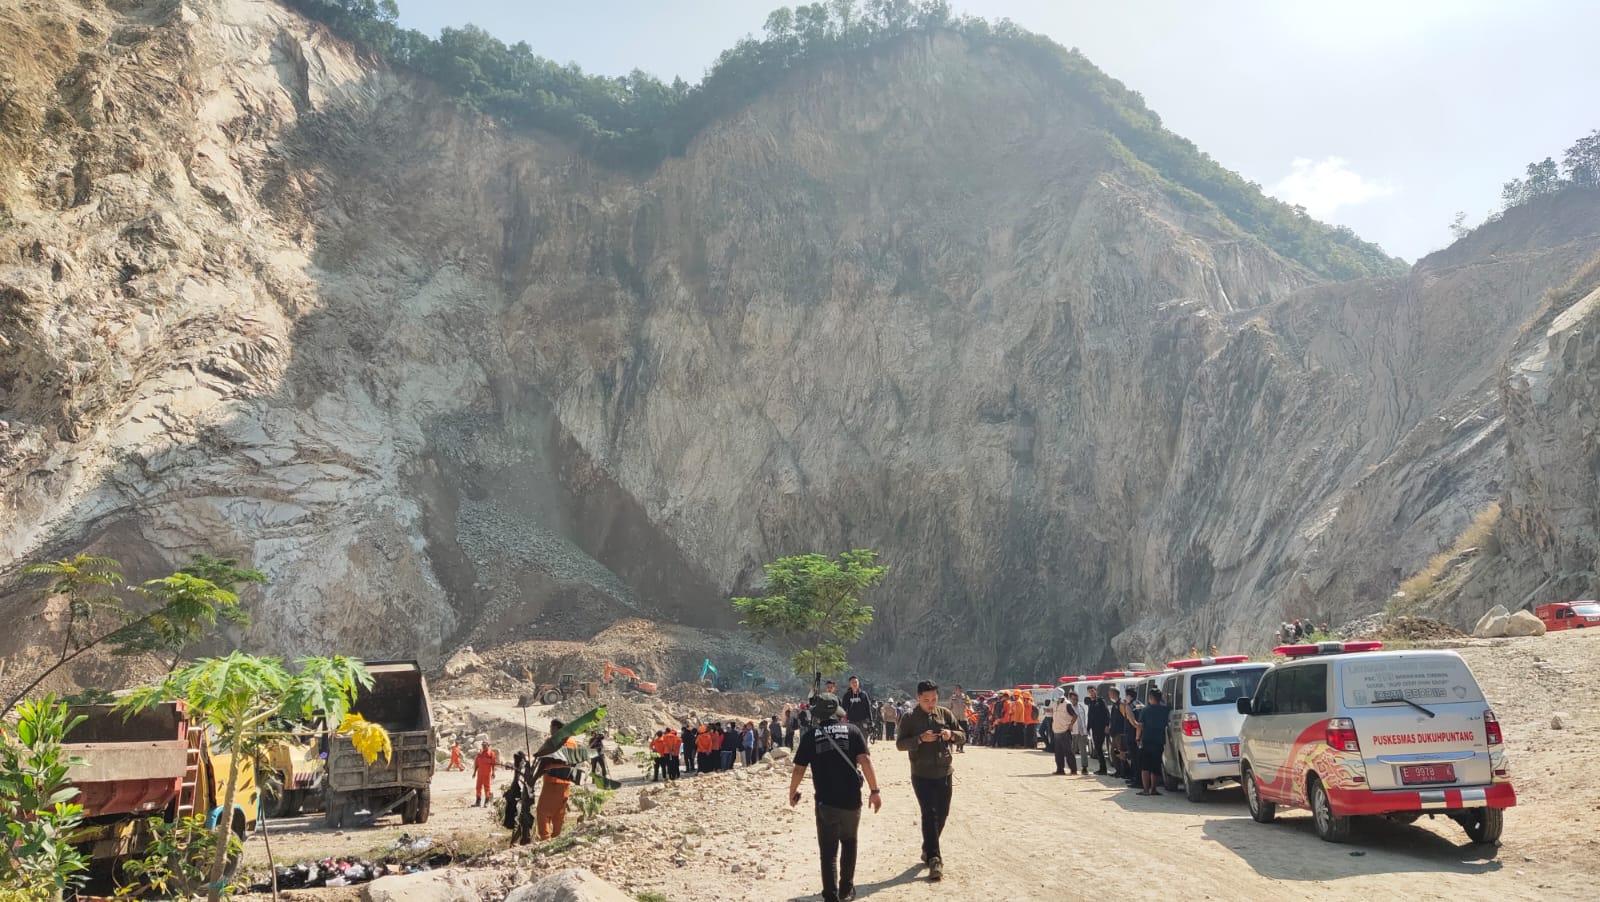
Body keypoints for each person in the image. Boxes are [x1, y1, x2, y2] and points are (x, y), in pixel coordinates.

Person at [789, 690, 882, 902]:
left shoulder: (810, 736)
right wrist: (875, 791)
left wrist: (792, 791)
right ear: (838, 712)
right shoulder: (853, 731)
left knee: (828, 852)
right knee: (849, 843)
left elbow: (798, 769)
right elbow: (865, 762)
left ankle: (830, 896)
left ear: (817, 714)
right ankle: (846, 890)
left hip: (825, 803)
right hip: (851, 801)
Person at [895, 680, 964, 882]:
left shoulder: (945, 714)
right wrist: (919, 739)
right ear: (918, 698)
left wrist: (951, 735)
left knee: (942, 814)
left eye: (934, 699)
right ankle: (935, 859)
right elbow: (900, 744)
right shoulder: (909, 718)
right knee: (929, 814)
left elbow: (963, 735)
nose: (931, 703)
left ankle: (927, 849)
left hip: (944, 772)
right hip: (921, 774)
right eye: (926, 700)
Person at [533, 719, 580, 839]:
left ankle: (545, 838)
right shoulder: (572, 742)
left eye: (551, 727)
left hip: (552, 782)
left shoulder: (553, 742)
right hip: (566, 783)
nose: (550, 730)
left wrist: (534, 777)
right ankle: (556, 837)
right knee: (558, 813)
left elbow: (543, 761)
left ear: (556, 728)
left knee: (542, 812)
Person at [1135, 688, 1172, 796]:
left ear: (1150, 698)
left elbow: (1140, 725)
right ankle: (1154, 789)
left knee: (1145, 766)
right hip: (1159, 741)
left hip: (1147, 741)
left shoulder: (1145, 710)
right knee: (1155, 766)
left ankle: (1146, 790)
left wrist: (1137, 738)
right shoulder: (1165, 710)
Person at [501, 751, 535, 845]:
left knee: (521, 820)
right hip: (518, 799)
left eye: (517, 760)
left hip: (521, 799)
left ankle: (519, 841)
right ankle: (520, 841)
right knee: (520, 820)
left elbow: (522, 786)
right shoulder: (518, 770)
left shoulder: (523, 770)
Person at [1049, 688, 1077, 775]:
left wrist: (1071, 725)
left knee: (1068, 752)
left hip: (1065, 731)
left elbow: (1075, 716)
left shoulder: (1067, 704)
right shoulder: (1054, 704)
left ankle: (1073, 770)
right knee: (1058, 752)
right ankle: (1060, 770)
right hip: (1056, 731)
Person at [841, 676, 875, 742]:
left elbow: (868, 708)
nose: (855, 684)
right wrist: (842, 720)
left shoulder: (864, 694)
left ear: (858, 683)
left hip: (863, 721)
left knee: (863, 740)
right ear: (850, 684)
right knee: (853, 740)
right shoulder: (847, 695)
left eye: (856, 682)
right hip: (851, 722)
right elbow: (843, 709)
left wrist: (871, 721)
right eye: (853, 682)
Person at [1085, 685, 1109, 775]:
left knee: (1099, 747)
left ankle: (1104, 769)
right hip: (1094, 729)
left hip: (1101, 728)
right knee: (1097, 749)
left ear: (1095, 691)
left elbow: (1107, 714)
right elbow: (1090, 717)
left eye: (1092, 691)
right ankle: (1102, 768)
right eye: (1089, 692)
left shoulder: (1101, 701)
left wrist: (1107, 725)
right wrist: (1087, 728)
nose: (1091, 693)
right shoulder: (1090, 703)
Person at [1121, 690, 1141, 787]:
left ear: (1129, 696)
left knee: (1134, 759)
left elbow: (1133, 722)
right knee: (1136, 759)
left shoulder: (1129, 706)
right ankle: (1135, 778)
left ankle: (1137, 780)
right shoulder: (1138, 704)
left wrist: (1138, 728)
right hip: (1137, 735)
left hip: (1131, 735)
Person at [1105, 687, 1127, 778]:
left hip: (1120, 733)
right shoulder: (1115, 705)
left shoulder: (1121, 704)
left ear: (1114, 694)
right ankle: (1118, 770)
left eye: (1110, 693)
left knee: (1121, 753)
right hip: (1114, 733)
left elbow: (1126, 718)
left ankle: (1123, 772)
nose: (1109, 695)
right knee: (1114, 753)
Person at [472, 740, 498, 807]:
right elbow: (477, 764)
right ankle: (478, 801)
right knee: (478, 787)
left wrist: (493, 772)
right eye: (482, 745)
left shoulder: (491, 754)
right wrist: (474, 772)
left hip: (487, 774)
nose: (483, 746)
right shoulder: (479, 754)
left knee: (487, 787)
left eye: (485, 745)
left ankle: (487, 801)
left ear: (488, 746)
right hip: (480, 774)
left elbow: (493, 764)